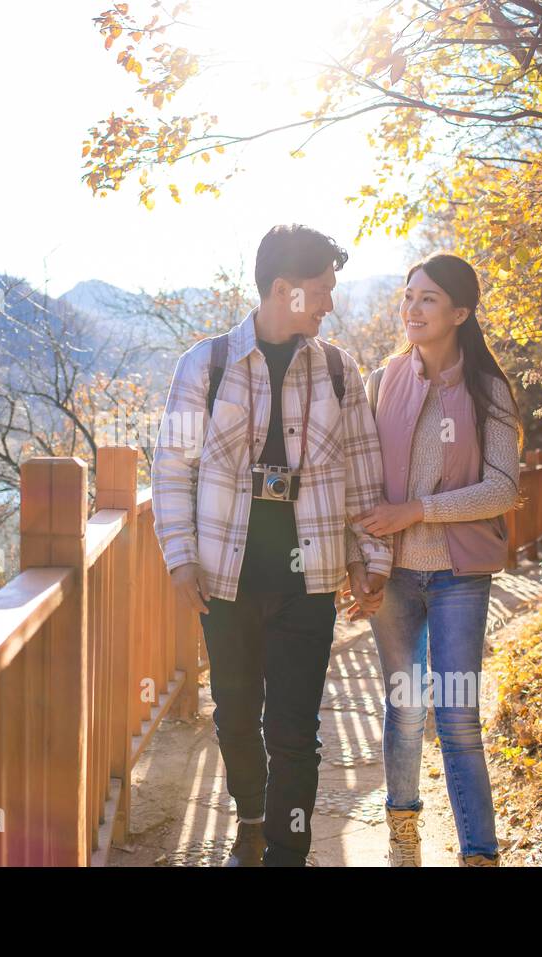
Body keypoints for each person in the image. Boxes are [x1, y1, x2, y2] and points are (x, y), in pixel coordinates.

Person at [151, 224, 391, 866]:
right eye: (321, 291)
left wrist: (373, 560)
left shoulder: (340, 371)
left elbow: (366, 476)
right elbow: (173, 469)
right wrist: (179, 556)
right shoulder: (204, 366)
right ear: (283, 290)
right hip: (223, 578)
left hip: (307, 580)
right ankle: (251, 819)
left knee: (293, 732)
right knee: (234, 713)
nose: (329, 304)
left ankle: (288, 851)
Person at [348, 252, 523, 866]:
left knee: (457, 715)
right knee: (405, 705)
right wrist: (363, 563)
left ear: (460, 312)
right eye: (407, 296)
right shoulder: (381, 381)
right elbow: (360, 487)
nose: (411, 309)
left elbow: (504, 487)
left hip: (459, 576)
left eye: (427, 299)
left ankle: (479, 853)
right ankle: (403, 833)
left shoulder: (486, 388)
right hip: (393, 576)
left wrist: (417, 510)